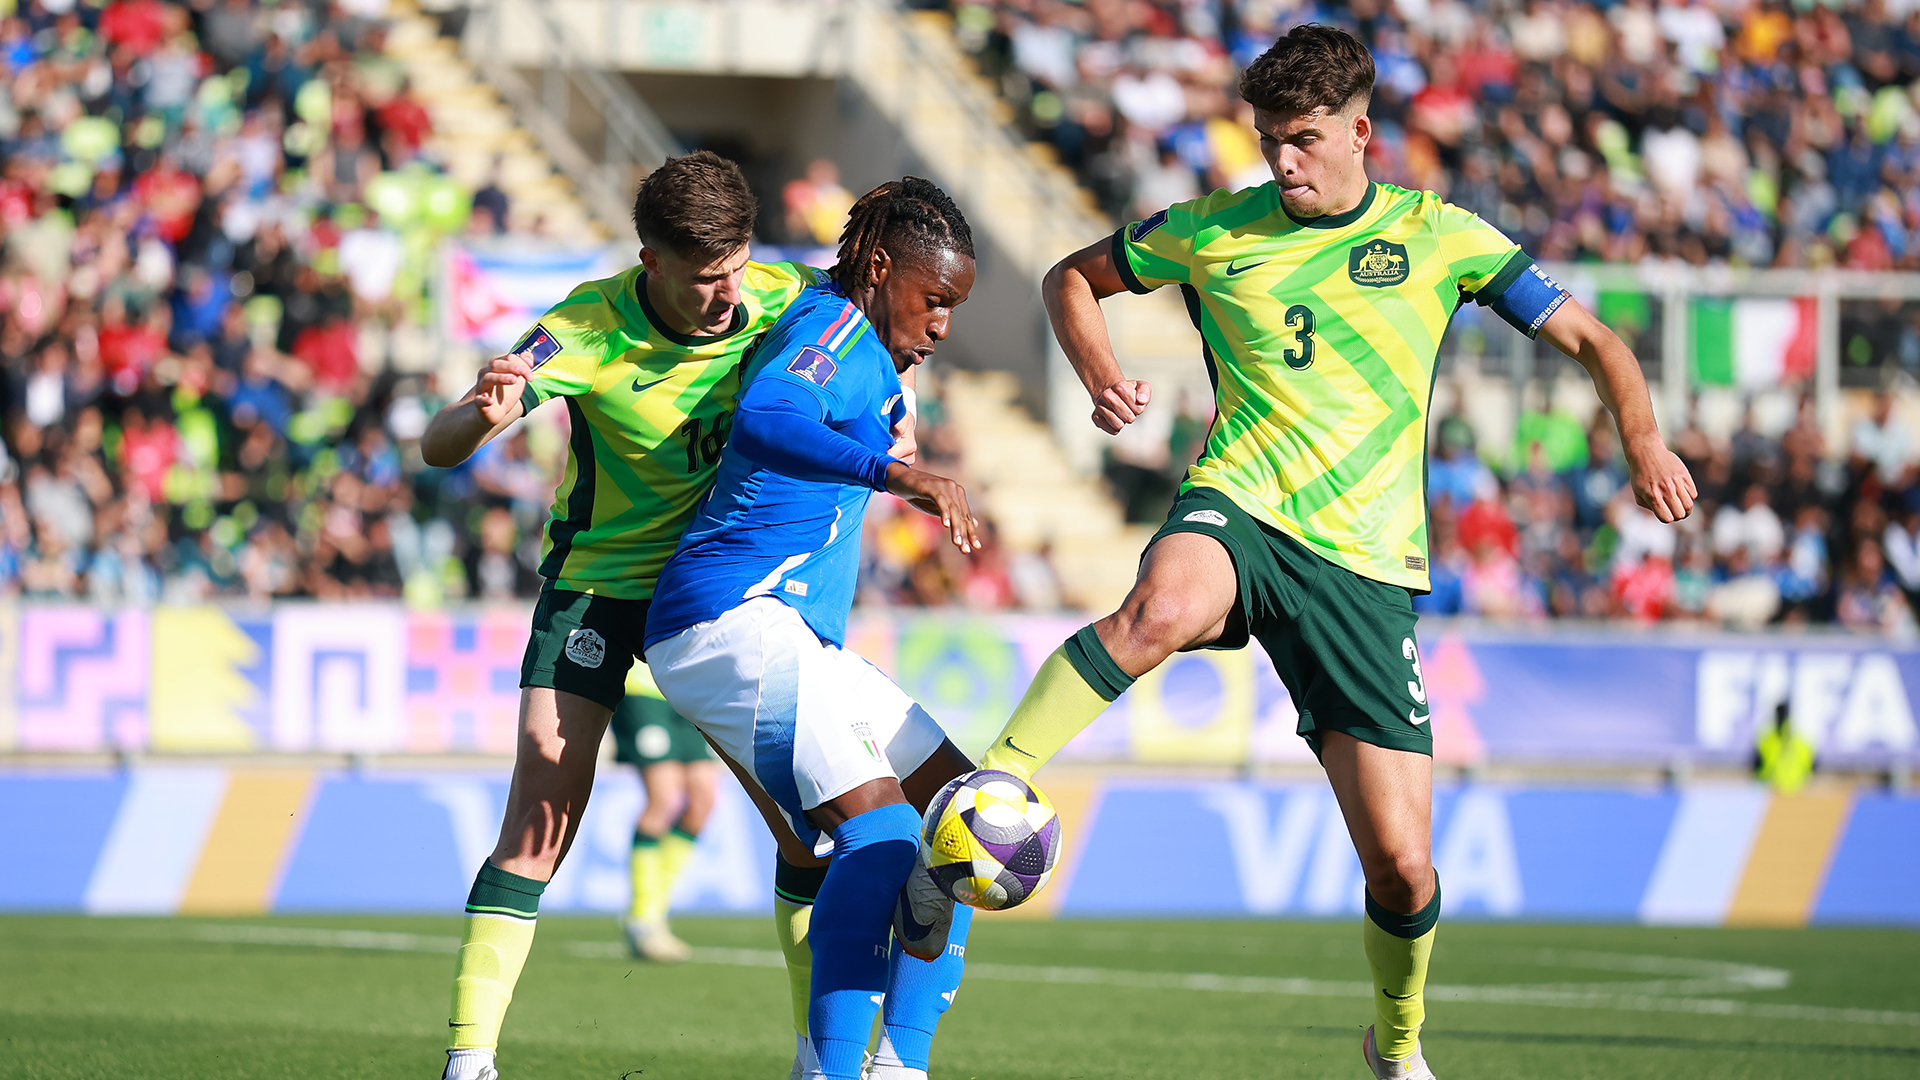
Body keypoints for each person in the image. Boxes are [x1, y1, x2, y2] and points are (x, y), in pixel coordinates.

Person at [976, 25, 1698, 1080]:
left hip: (1368, 568)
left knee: (1403, 870)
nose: (1282, 162)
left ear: (1361, 131)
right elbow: (1068, 279)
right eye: (1268, 140)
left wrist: (1642, 438)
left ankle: (1396, 1047)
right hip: (1245, 506)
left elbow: (1595, 339)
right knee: (1159, 613)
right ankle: (992, 784)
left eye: (1303, 140)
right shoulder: (1212, 228)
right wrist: (1098, 370)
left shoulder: (1441, 237)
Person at [417, 151, 823, 1080]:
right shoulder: (584, 330)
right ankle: (469, 1064)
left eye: (735, 270)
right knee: (540, 816)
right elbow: (439, 447)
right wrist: (483, 412)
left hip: (721, 594)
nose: (727, 297)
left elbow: (871, 338)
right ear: (649, 259)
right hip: (600, 589)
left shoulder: (784, 292)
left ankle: (818, 1058)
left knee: (805, 823)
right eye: (702, 279)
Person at [644, 178, 981, 1080]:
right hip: (726, 620)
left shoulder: (869, 350)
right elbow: (768, 418)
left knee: (969, 817)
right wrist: (894, 473)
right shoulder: (834, 331)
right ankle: (834, 1071)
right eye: (935, 300)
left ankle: (898, 1068)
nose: (943, 325)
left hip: (793, 635)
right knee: (882, 837)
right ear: (879, 268)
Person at [612, 663, 716, 962]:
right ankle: (643, 917)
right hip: (643, 687)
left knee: (703, 802)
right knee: (665, 800)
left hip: (689, 690)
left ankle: (654, 912)